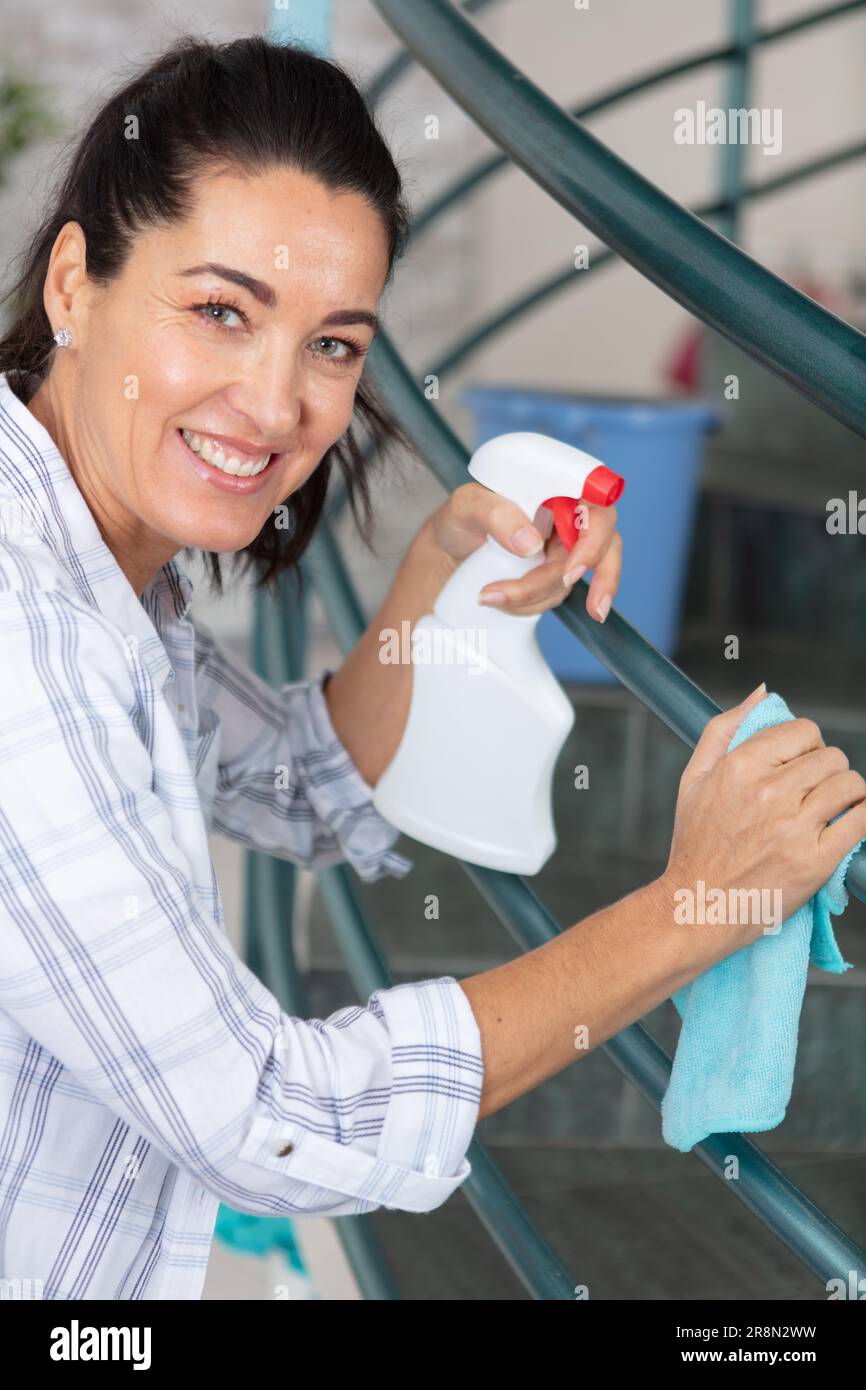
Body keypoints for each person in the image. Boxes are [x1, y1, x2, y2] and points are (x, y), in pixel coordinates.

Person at [0, 35, 863, 1302]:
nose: (276, 402)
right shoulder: (29, 640)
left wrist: (447, 556)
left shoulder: (106, 575)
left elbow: (298, 779)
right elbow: (272, 1117)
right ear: (76, 283)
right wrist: (701, 902)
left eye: (334, 345)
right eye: (221, 311)